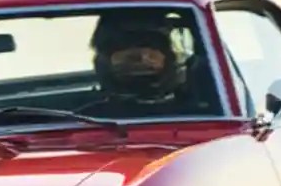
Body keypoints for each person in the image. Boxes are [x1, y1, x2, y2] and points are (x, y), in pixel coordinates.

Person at [77, 10, 217, 119]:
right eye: (124, 45)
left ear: (170, 56)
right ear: (103, 60)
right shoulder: (84, 120)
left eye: (153, 46)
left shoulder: (207, 114)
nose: (142, 57)